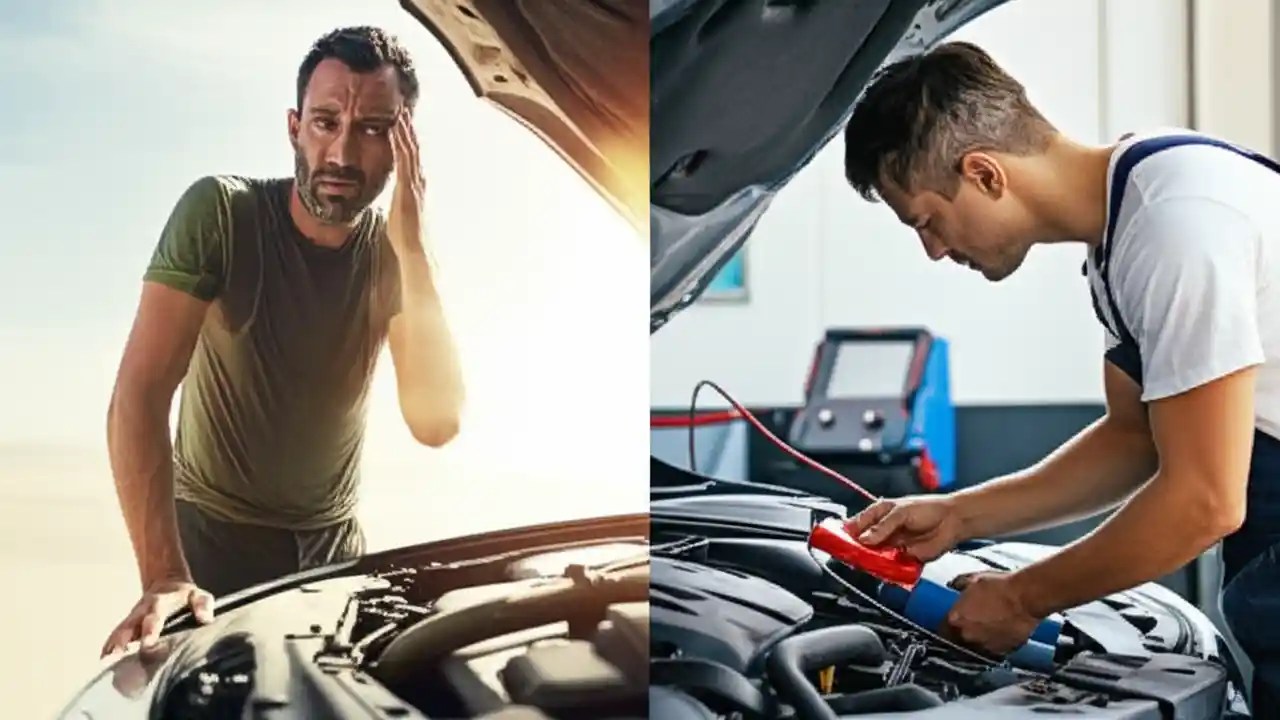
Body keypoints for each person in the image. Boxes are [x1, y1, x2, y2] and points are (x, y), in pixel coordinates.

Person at [840, 41, 1280, 712]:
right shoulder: (1129, 221)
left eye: (927, 221)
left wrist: (1021, 598)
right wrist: (957, 517)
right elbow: (1135, 438)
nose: (932, 250)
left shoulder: (1177, 224)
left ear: (985, 173)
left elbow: (1204, 502)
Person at [100, 26, 465, 657]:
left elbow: (436, 421)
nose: (343, 153)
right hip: (209, 551)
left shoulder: (394, 254)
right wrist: (163, 573)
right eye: (326, 122)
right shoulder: (221, 214)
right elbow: (139, 391)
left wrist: (413, 233)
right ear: (294, 126)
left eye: (374, 129)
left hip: (333, 558)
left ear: (406, 144)